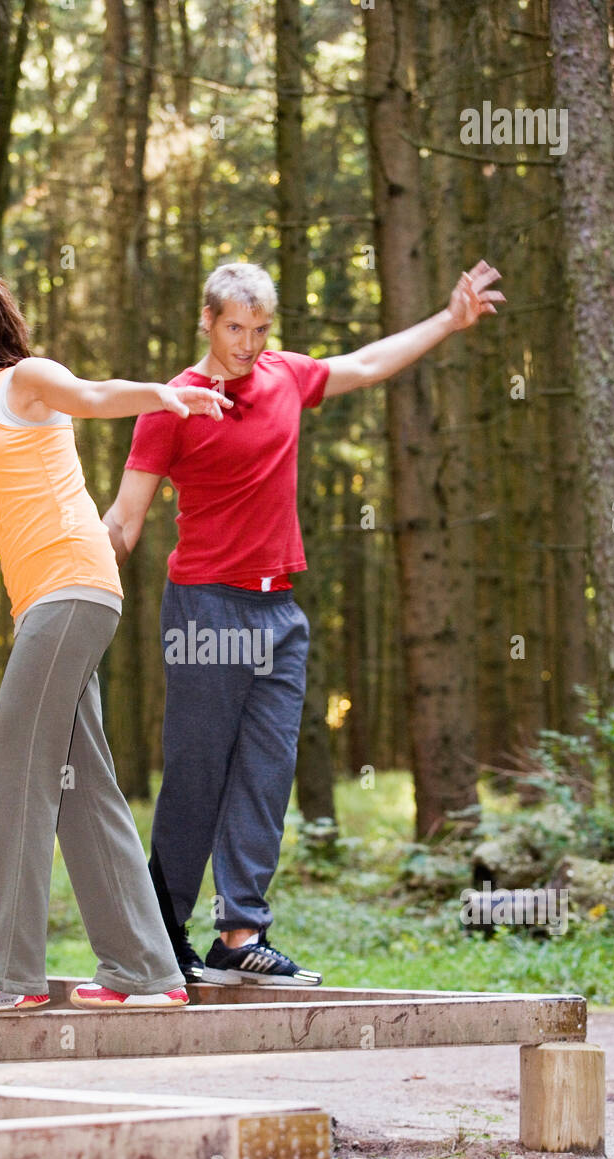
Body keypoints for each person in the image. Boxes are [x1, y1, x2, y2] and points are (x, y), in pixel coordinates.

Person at [104, 259, 505, 986]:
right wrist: (75, 586)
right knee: (198, 771)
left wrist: (450, 319)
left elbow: (367, 362)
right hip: (207, 607)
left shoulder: (285, 376)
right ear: (207, 320)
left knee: (265, 772)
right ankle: (161, 934)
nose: (248, 343)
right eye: (234, 328)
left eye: (260, 330)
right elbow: (125, 522)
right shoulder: (172, 403)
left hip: (279, 611)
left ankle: (240, 933)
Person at [0, 269, 230, 1013]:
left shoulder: (26, 384)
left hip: (74, 590)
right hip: (48, 606)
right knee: (83, 788)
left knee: (10, 764)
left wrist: (163, 396)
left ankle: (3, 976)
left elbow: (98, 393)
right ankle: (146, 970)